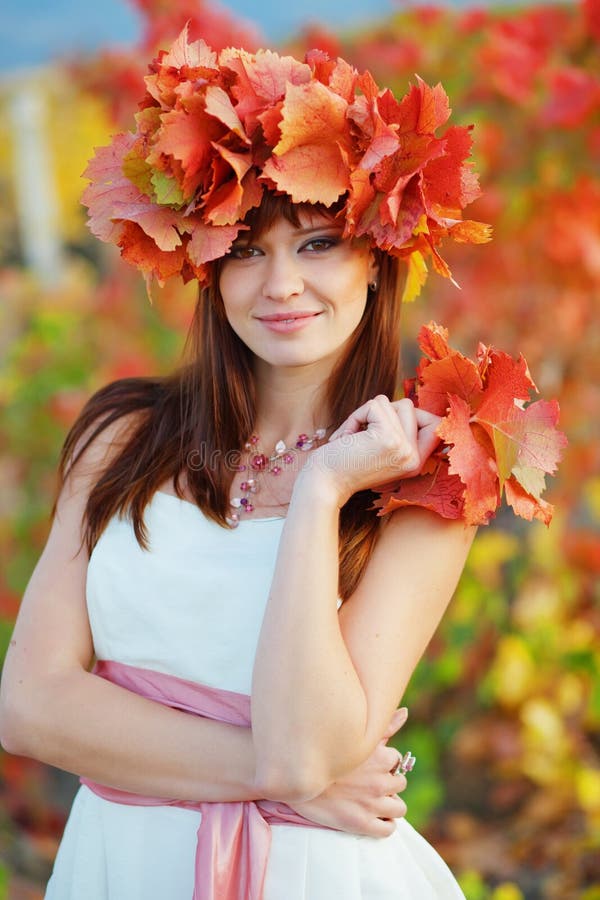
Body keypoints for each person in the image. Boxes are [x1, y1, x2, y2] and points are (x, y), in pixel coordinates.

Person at [0, 31, 485, 899]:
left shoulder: (424, 477)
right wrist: (281, 779)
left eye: (315, 244)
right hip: (119, 866)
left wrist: (323, 491)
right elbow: (30, 706)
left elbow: (303, 745)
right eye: (248, 249)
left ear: (374, 259)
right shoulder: (124, 438)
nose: (281, 287)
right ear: (208, 269)